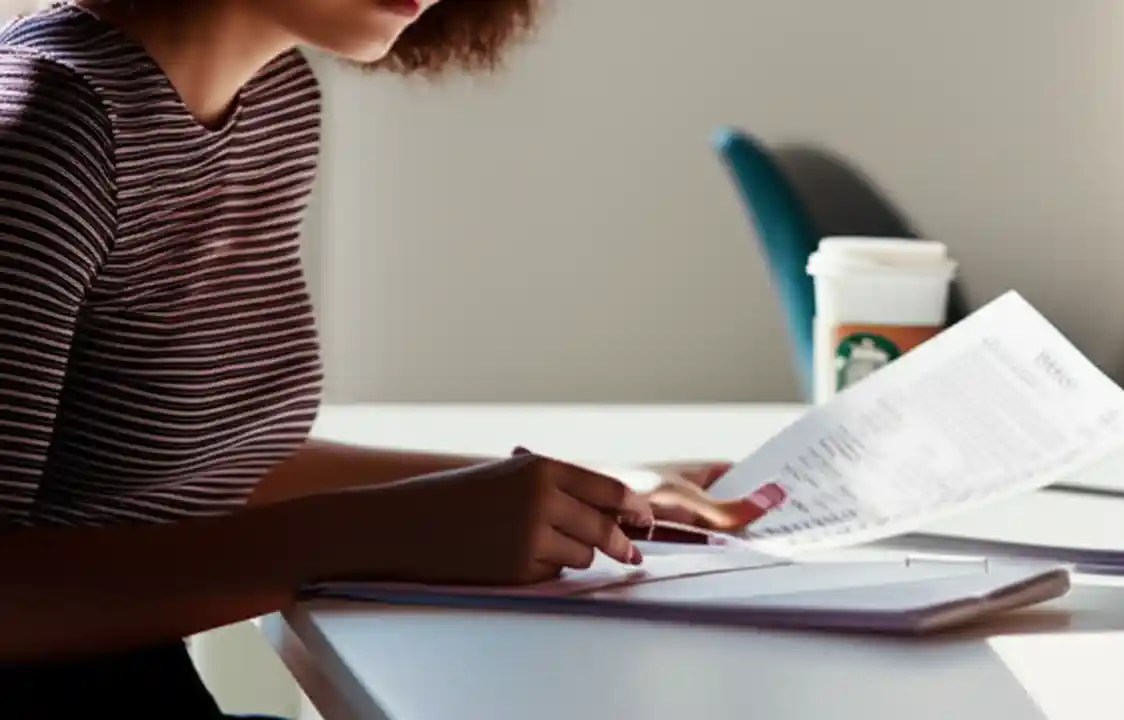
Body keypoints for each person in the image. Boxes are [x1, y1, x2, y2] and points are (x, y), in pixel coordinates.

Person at [0, 1, 767, 715]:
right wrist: (378, 534)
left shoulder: (275, 99)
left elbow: (202, 465)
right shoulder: (48, 122)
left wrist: (579, 493)